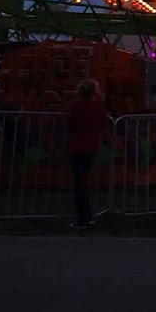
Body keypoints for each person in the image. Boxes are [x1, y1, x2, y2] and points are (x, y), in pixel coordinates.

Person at [66, 78, 107, 229]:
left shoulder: (78, 106)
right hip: (92, 147)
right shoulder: (99, 107)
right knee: (83, 181)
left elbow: (69, 124)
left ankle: (84, 217)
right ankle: (87, 215)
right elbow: (103, 125)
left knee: (79, 183)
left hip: (78, 147)